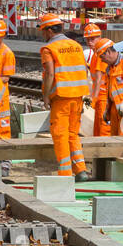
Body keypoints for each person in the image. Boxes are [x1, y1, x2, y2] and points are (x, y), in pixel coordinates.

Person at [39, 14, 91, 179]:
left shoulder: (48, 49)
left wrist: (46, 96)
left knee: (60, 135)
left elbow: (49, 74)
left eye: (43, 31)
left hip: (61, 97)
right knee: (72, 133)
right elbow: (84, 69)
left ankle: (65, 172)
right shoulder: (75, 45)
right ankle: (80, 170)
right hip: (78, 96)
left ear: (49, 31)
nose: (43, 35)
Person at [81, 22, 111, 137]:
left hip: (104, 98)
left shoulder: (101, 55)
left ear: (100, 38)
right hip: (100, 97)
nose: (90, 42)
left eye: (93, 39)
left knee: (104, 128)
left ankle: (105, 153)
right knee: (98, 128)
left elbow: (98, 80)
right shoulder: (94, 55)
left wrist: (93, 99)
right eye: (88, 39)